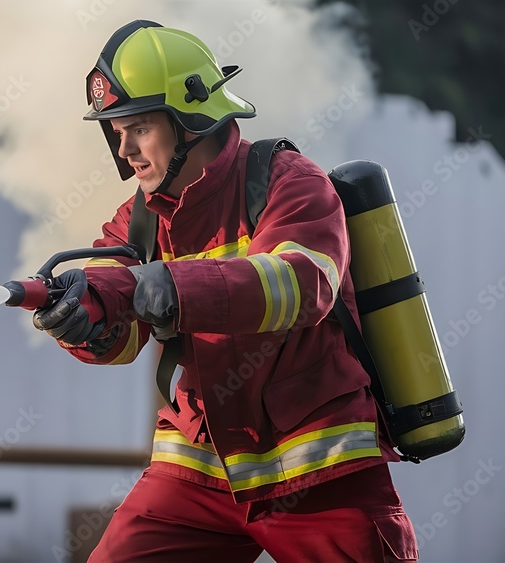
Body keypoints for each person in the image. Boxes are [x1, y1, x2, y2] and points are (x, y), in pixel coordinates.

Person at [31, 20, 419, 562]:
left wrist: (168, 285)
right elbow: (120, 331)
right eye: (115, 133)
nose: (125, 154)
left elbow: (303, 285)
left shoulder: (289, 182)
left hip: (318, 469)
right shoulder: (138, 222)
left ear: (190, 118)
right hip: (197, 471)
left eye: (138, 129)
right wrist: (81, 317)